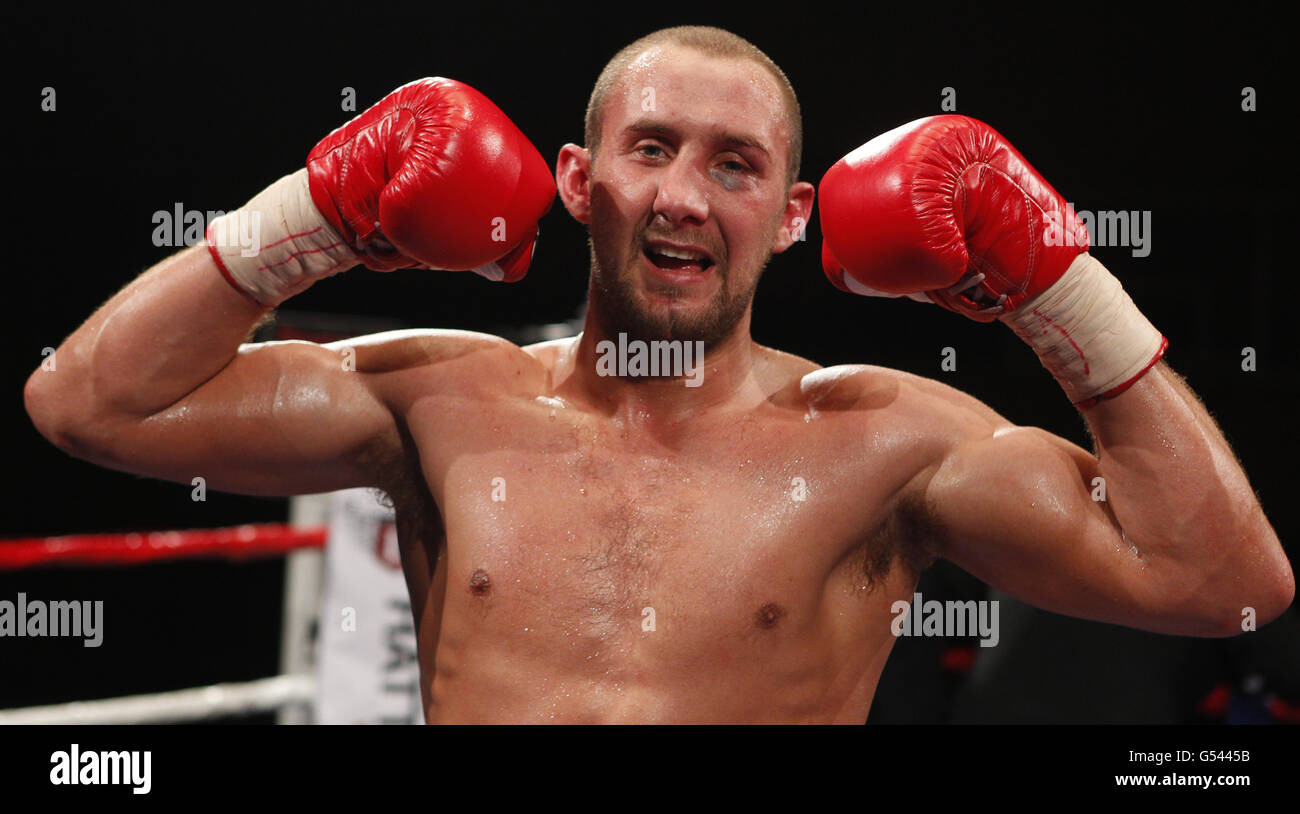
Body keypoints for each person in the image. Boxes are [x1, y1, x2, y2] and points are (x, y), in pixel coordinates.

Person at [23, 26, 1292, 724]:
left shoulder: (884, 439)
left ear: (792, 215)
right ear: (580, 182)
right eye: (650, 148)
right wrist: (313, 215)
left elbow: (1222, 587)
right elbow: (86, 404)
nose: (684, 195)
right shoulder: (439, 400)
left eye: (735, 164)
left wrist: (1052, 285)